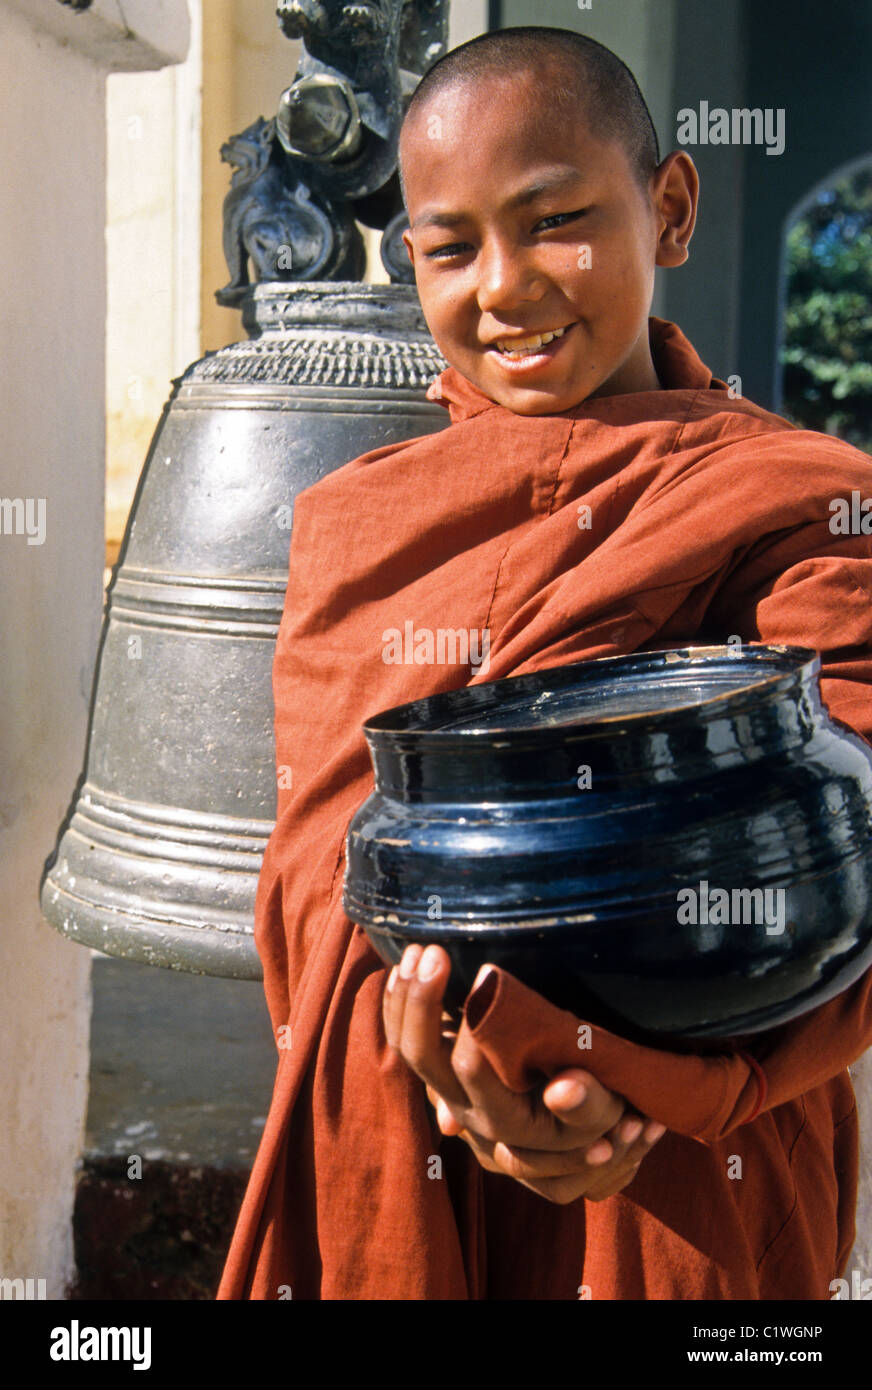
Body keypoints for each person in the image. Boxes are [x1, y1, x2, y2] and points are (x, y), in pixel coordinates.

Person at [217, 27, 872, 1300]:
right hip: (396, 1117)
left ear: (668, 207)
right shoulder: (364, 521)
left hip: (689, 1173)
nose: (503, 289)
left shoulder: (797, 506)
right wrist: (452, 1054)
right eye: (450, 248)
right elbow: (312, 866)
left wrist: (612, 1092)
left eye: (556, 219)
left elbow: (845, 859)